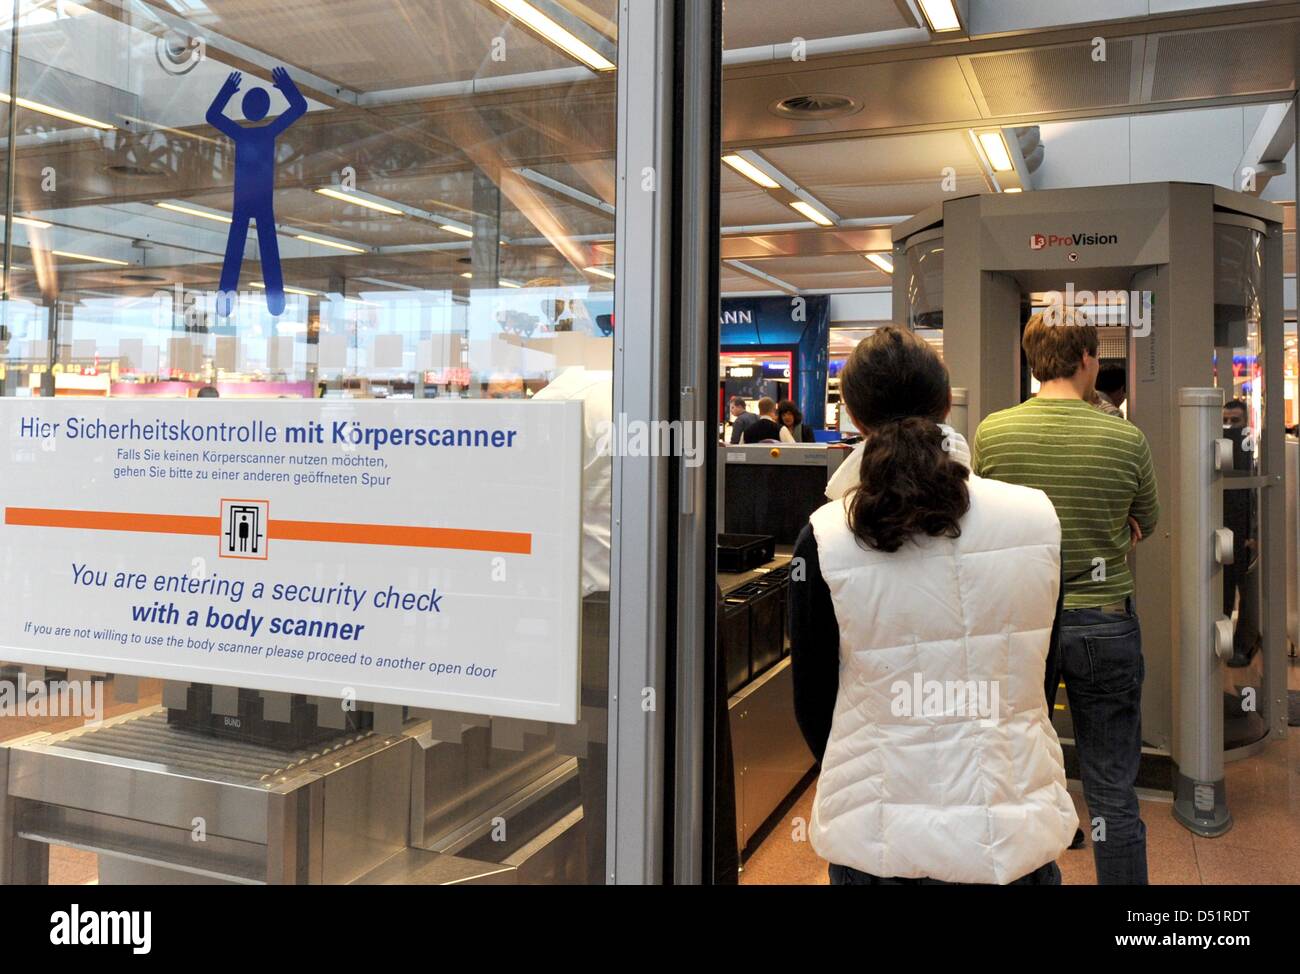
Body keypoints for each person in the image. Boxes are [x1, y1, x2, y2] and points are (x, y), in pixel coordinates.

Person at [790, 326, 1077, 885]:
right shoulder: (1036, 519)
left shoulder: (825, 536)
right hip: (1013, 829)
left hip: (877, 838)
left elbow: (813, 700)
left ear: (852, 416)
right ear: (946, 404)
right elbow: (1041, 674)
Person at [973, 308, 1159, 885]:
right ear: (1086, 360)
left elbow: (986, 524)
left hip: (1022, 623)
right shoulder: (1125, 438)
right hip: (1104, 620)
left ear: (1032, 364)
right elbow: (1145, 523)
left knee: (1018, 775)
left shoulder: (993, 433)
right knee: (1111, 789)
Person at [206, 67, 308, 318]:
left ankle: (227, 296)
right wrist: (286, 87)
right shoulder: (267, 132)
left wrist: (228, 90)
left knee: (235, 248)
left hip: (244, 200)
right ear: (263, 109)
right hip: (261, 201)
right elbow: (299, 108)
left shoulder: (242, 134)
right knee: (268, 247)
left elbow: (213, 115)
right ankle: (275, 297)